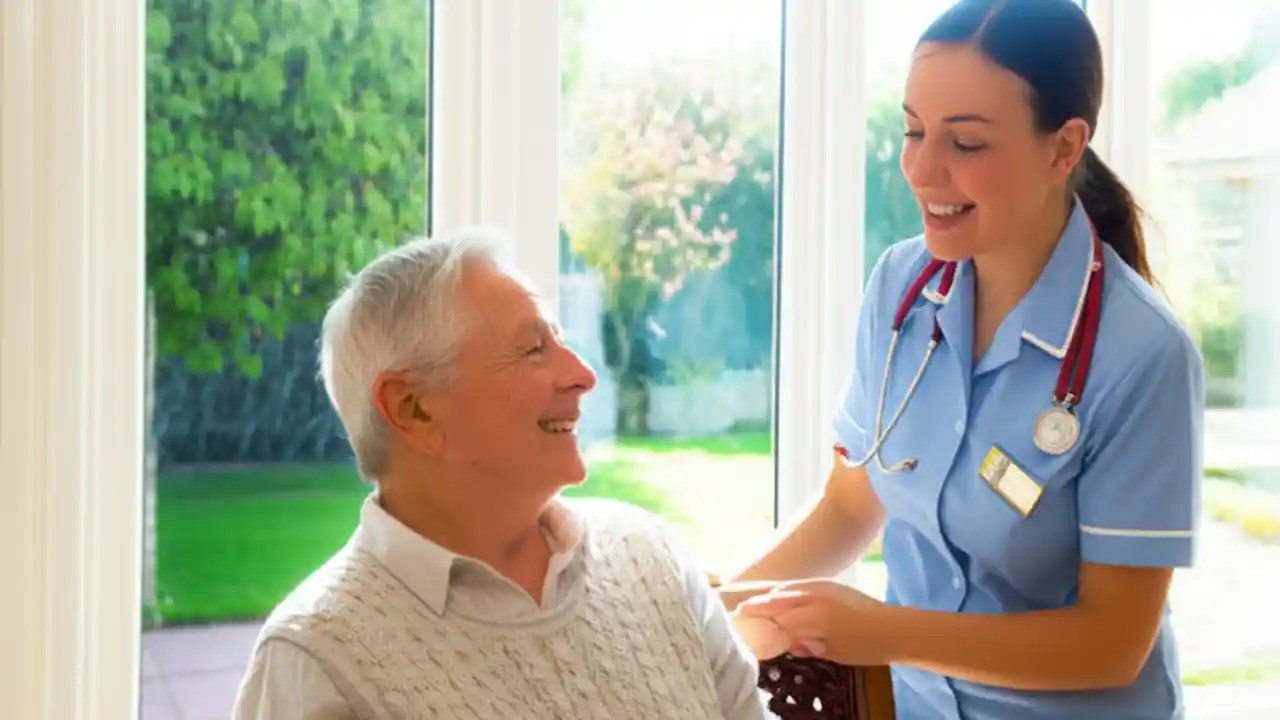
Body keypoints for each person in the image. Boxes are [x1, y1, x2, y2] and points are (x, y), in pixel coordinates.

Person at [723, 1, 1204, 718]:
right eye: (913, 131)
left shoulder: (1143, 357)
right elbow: (852, 504)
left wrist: (885, 633)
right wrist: (710, 608)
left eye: (966, 144)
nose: (921, 169)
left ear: (1063, 149)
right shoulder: (899, 287)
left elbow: (1111, 642)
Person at [231, 227, 771, 719]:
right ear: (413, 409)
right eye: (534, 349)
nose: (583, 375)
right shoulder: (318, 659)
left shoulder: (650, 557)